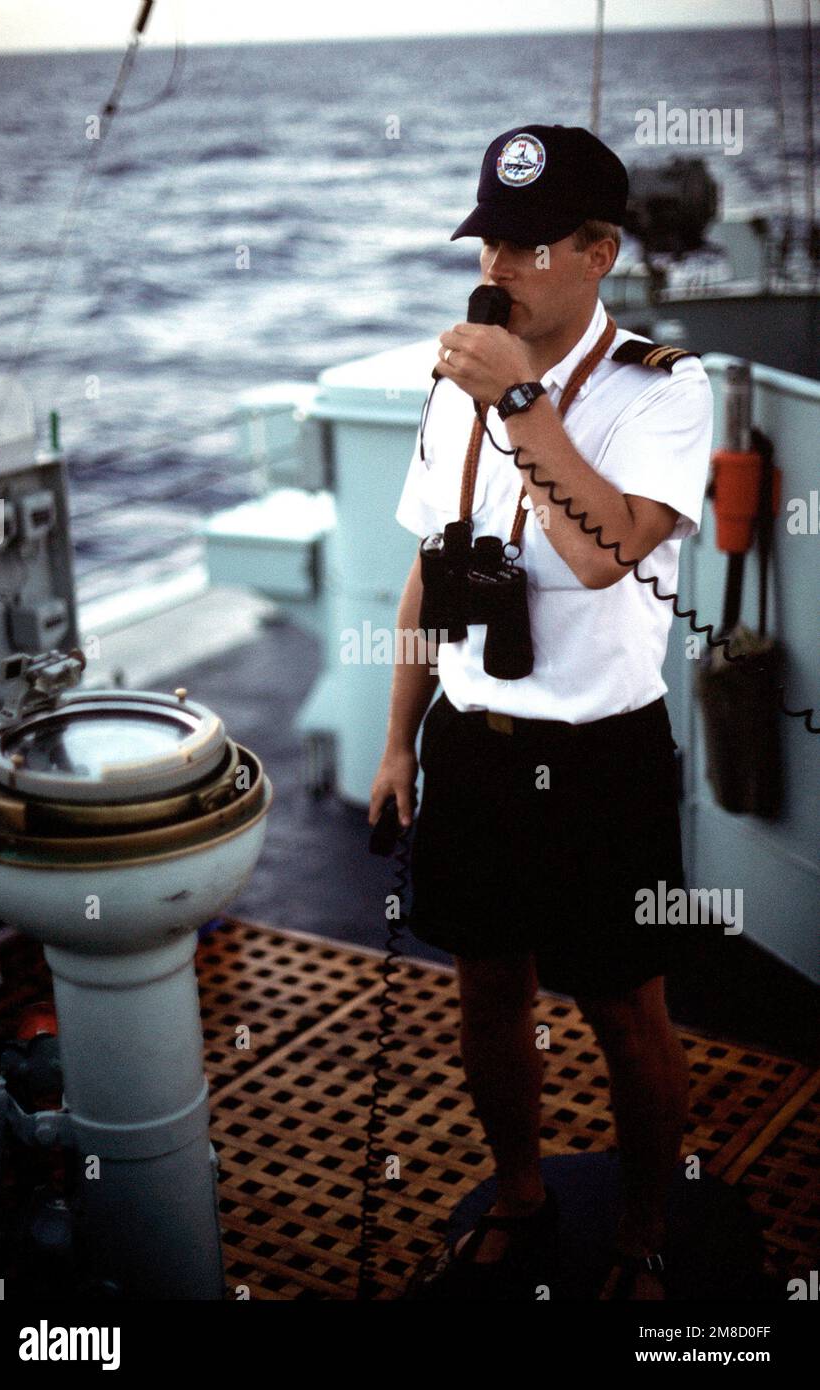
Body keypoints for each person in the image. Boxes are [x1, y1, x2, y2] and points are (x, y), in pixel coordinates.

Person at [368, 123, 713, 1300]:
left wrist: (516, 398)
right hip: (473, 743)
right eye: (490, 241)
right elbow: (429, 564)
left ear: (599, 250)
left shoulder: (661, 391)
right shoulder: (459, 382)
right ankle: (517, 1192)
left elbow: (605, 547)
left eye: (527, 245)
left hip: (602, 755)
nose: (497, 267)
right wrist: (395, 739)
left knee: (625, 1009)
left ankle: (643, 1233)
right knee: (485, 984)